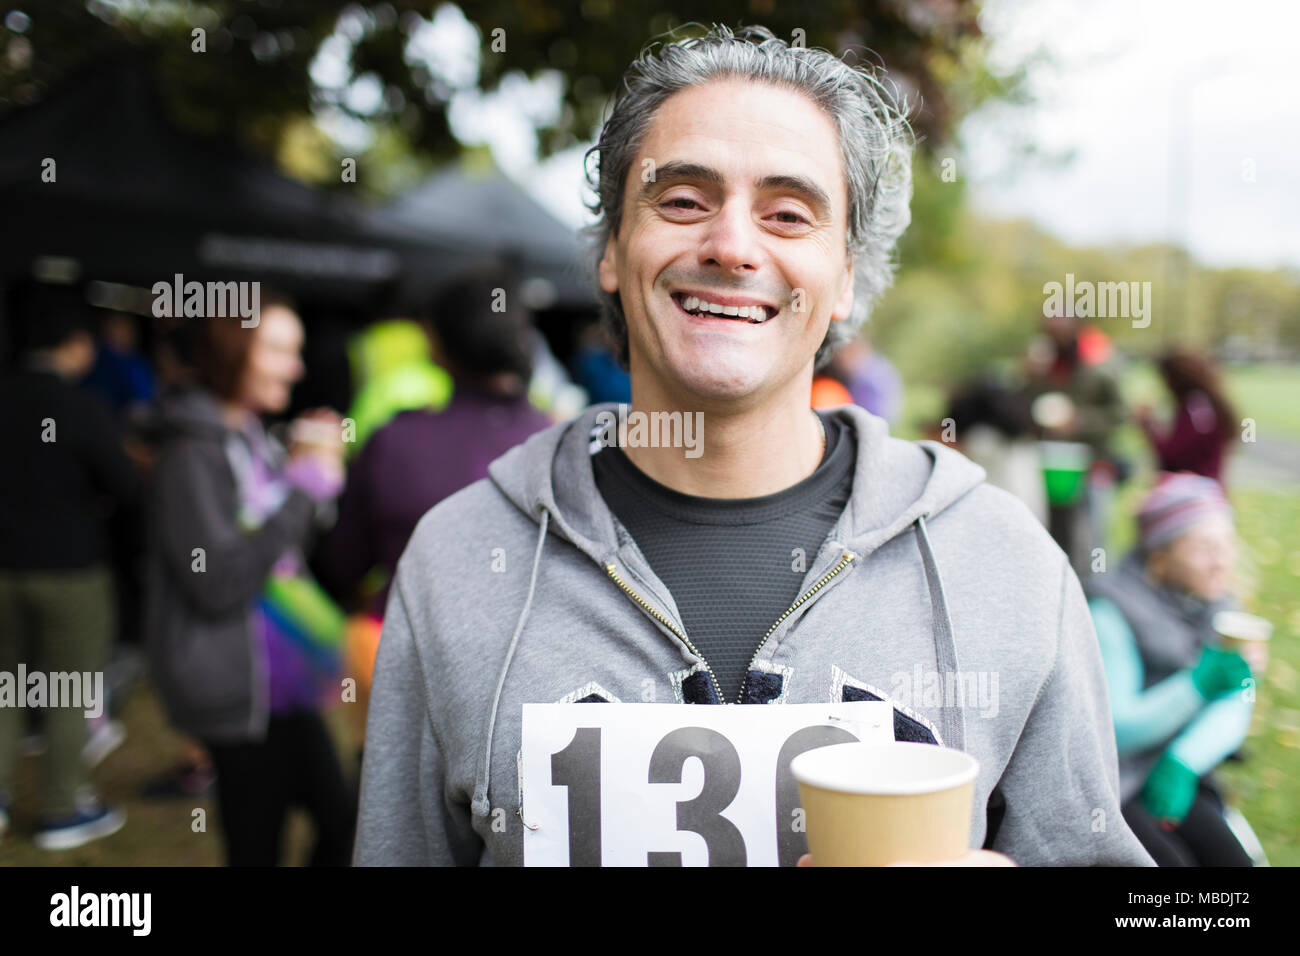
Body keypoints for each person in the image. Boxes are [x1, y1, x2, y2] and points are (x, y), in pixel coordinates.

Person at [354, 24, 1153, 867]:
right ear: (614, 253)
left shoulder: (1004, 565)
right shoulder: (455, 558)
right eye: (684, 200)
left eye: (788, 214)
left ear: (845, 277)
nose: (733, 246)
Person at [144, 291, 354, 866]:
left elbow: (282, 555)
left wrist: (305, 476)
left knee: (338, 821)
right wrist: (303, 491)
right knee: (262, 840)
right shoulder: (193, 452)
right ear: (234, 349)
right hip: (237, 683)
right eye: (281, 350)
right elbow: (216, 584)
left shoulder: (248, 435)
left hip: (275, 674)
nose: (298, 368)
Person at [315, 268, 551, 745]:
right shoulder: (556, 444)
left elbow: (341, 565)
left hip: (399, 663)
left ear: (436, 345)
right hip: (526, 679)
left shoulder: (395, 440)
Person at [0, 280, 137, 850]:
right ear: (78, 344)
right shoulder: (82, 408)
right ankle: (59, 809)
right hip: (71, 571)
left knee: (6, 687)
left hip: (3, 569)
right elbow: (127, 487)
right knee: (66, 688)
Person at [1086, 473, 1256, 866]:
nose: (1221, 562)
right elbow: (1117, 728)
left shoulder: (1215, 608)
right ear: (1160, 556)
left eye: (1227, 545)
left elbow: (1236, 704)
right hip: (1115, 786)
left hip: (1175, 771)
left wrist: (1183, 761)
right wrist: (1196, 685)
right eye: (1204, 548)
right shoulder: (1110, 613)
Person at [1136, 347, 1237, 486]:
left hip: (1194, 491)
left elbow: (1174, 457)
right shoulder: (1202, 403)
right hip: (1204, 488)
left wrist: (1148, 424)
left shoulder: (1196, 406)